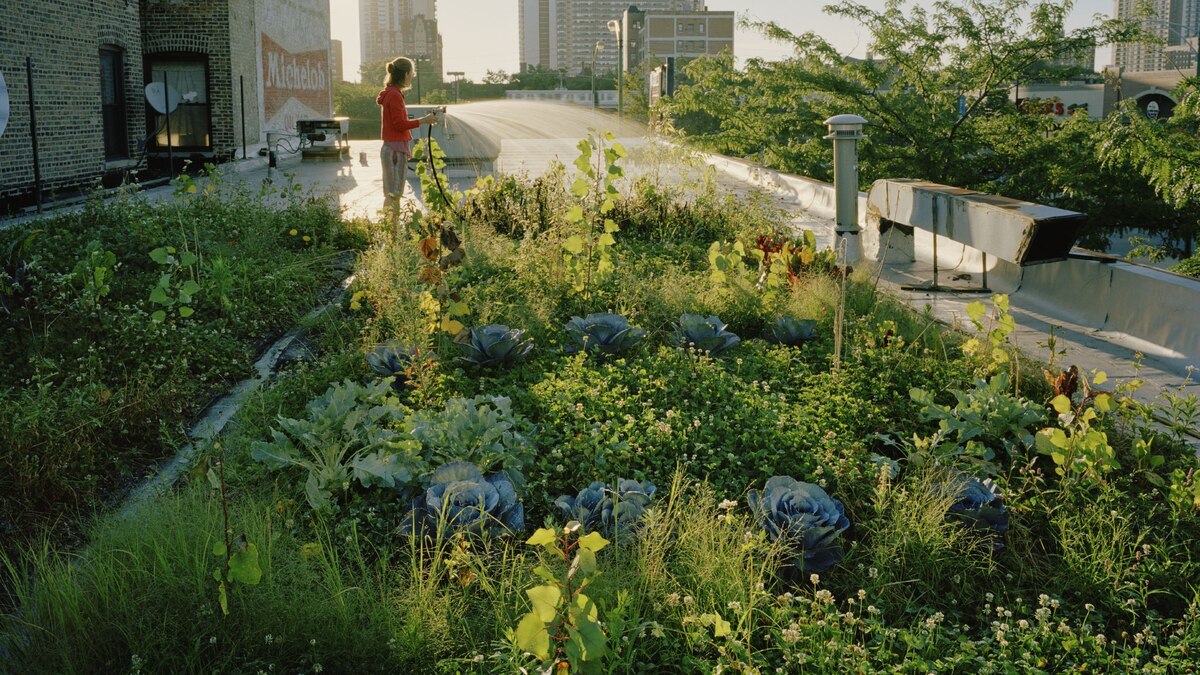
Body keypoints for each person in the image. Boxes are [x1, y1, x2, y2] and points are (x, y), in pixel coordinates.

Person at [377, 56, 437, 216]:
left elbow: (397, 122)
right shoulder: (395, 95)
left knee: (391, 193)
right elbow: (399, 124)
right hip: (396, 151)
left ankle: (391, 231)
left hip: (391, 148)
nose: (412, 77)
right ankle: (392, 233)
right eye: (411, 74)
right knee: (394, 194)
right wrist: (423, 120)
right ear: (405, 74)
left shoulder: (390, 93)